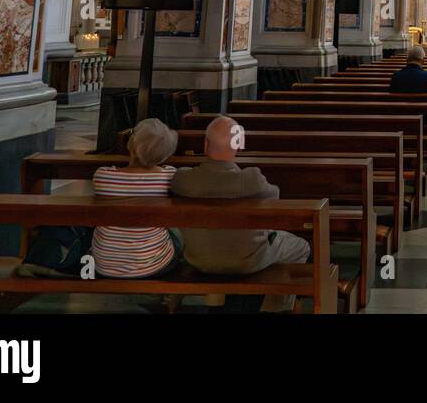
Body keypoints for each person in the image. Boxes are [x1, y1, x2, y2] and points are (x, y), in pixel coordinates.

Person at [172, 116, 312, 312]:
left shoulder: (183, 180)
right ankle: (276, 307)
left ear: (205, 145)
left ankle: (217, 303)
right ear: (237, 145)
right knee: (301, 247)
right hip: (247, 260)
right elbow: (274, 198)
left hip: (198, 258)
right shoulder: (252, 180)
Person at [90, 118, 181, 279]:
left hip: (105, 263)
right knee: (179, 235)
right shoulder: (170, 177)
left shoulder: (103, 175)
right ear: (164, 155)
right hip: (153, 264)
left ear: (131, 146)